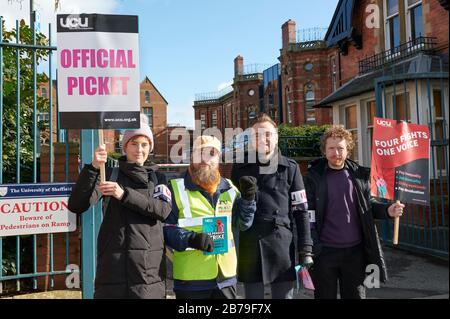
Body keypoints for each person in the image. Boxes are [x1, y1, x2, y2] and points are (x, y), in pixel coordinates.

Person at [68, 115, 171, 299]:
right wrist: (92, 168)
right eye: (133, 144)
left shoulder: (158, 178)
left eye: (144, 144)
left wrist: (123, 195)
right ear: (125, 146)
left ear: (150, 148)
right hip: (113, 271)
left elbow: (162, 211)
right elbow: (77, 205)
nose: (139, 149)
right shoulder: (109, 175)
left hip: (148, 273)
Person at [303, 125, 405, 299]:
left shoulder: (360, 175)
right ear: (324, 151)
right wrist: (312, 246)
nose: (336, 153)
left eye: (340, 148)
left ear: (348, 150)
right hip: (324, 252)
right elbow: (307, 214)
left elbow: (368, 205)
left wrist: (388, 210)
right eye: (331, 148)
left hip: (355, 252)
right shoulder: (313, 177)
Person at [231, 113, 313, 299]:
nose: (263, 139)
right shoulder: (240, 167)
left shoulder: (290, 168)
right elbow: (232, 208)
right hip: (249, 243)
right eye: (257, 135)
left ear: (276, 138)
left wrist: (305, 248)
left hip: (281, 244)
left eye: (268, 134)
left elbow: (301, 211)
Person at [163, 135, 257, 299]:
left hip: (226, 279)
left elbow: (243, 224)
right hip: (191, 280)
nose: (206, 159)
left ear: (218, 159)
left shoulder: (230, 188)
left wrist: (248, 200)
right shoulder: (174, 189)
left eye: (211, 154)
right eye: (201, 153)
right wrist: (191, 238)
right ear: (192, 157)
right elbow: (164, 230)